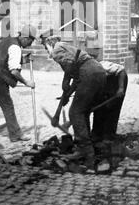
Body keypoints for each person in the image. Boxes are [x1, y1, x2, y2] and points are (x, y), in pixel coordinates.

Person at [43, 36, 107, 170]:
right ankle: (84, 149)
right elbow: (77, 78)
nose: (46, 51)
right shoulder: (67, 47)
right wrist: (66, 95)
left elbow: (71, 65)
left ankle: (88, 155)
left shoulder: (57, 49)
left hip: (89, 73)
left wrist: (65, 82)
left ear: (50, 44)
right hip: (99, 72)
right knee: (83, 112)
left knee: (75, 113)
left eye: (45, 47)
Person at [0, 24, 36, 142]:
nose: (30, 44)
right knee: (7, 106)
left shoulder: (9, 40)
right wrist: (26, 82)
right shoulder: (16, 48)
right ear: (25, 38)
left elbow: (6, 59)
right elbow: (14, 71)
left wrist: (24, 60)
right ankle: (15, 134)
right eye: (30, 41)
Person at [92, 61, 128, 144]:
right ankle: (97, 135)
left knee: (111, 107)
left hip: (118, 79)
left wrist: (121, 88)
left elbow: (121, 70)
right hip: (104, 83)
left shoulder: (101, 66)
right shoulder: (82, 73)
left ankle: (109, 136)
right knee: (99, 109)